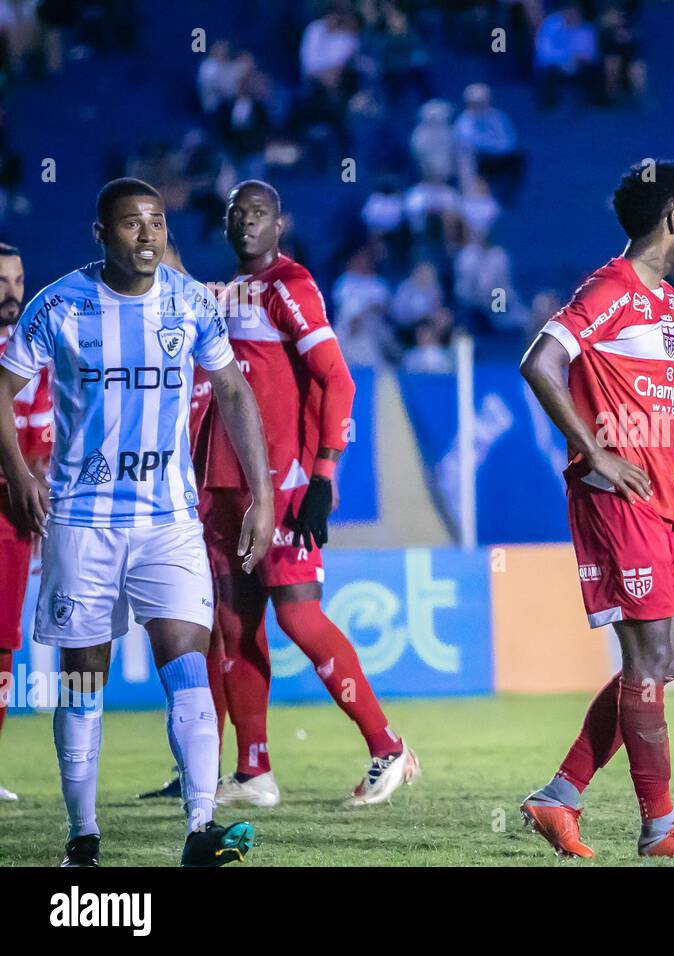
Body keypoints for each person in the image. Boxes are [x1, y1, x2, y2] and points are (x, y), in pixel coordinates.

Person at [0, 178, 275, 867]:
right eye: (130, 224)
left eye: (155, 222)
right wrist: (19, 473)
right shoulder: (58, 306)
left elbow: (234, 391)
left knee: (187, 660)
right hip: (82, 524)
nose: (147, 235)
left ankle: (201, 829)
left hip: (168, 522)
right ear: (102, 234)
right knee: (82, 678)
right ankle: (82, 836)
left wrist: (262, 493)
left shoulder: (190, 303)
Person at [517, 159, 674, 859]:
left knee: (662, 660)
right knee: (648, 658)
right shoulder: (609, 289)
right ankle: (659, 825)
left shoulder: (665, 303)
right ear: (671, 219)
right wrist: (595, 453)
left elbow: (671, 385)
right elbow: (539, 362)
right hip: (617, 497)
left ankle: (559, 797)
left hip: (660, 493)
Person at [196, 180, 419, 808]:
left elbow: (338, 379)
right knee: (234, 627)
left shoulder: (290, 287)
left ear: (280, 224)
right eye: (237, 214)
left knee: (297, 614)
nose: (246, 223)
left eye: (259, 213)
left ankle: (388, 748)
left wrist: (323, 474)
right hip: (225, 483)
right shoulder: (224, 294)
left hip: (284, 483)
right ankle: (253, 770)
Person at [0, 243, 52, 803]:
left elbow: (39, 448)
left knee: (1, 645)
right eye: (0, 280)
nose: (12, 290)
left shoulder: (28, 356)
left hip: (7, 517)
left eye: (18, 278)